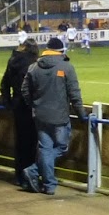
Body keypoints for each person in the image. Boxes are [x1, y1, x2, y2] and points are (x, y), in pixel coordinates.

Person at [21, 36, 84, 197]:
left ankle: (48, 183)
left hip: (40, 116)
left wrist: (34, 105)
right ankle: (35, 172)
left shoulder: (34, 67)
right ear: (61, 51)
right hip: (59, 116)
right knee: (61, 147)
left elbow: (25, 91)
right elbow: (74, 94)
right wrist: (81, 114)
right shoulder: (66, 67)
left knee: (45, 148)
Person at [0, 35, 40, 188]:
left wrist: (8, 103)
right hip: (30, 107)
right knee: (32, 143)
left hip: (17, 106)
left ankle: (19, 175)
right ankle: (28, 176)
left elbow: (4, 84)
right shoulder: (33, 63)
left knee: (20, 142)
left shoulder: (12, 61)